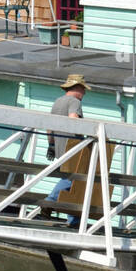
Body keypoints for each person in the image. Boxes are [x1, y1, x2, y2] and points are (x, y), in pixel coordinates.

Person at [45, 74, 88, 211]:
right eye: (83, 89)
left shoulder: (58, 101)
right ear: (78, 87)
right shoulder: (75, 102)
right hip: (72, 148)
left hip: (59, 148)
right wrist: (83, 137)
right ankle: (49, 202)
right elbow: (73, 119)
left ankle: (73, 218)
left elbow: (49, 127)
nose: (85, 92)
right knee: (72, 179)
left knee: (75, 182)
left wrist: (51, 145)